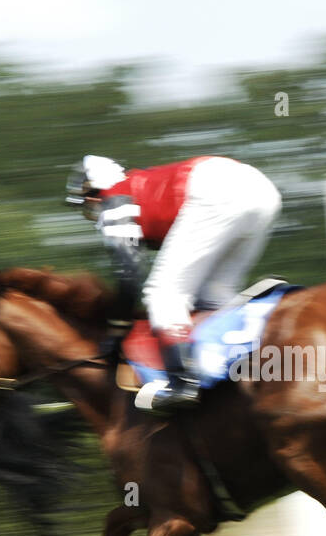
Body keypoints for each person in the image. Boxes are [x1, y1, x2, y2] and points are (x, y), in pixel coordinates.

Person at [66, 154, 282, 411]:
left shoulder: (114, 198)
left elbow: (129, 274)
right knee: (214, 296)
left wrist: (117, 329)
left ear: (94, 192)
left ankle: (183, 383)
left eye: (87, 201)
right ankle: (250, 366)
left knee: (163, 294)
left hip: (216, 191)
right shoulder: (138, 185)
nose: (90, 209)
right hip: (262, 191)